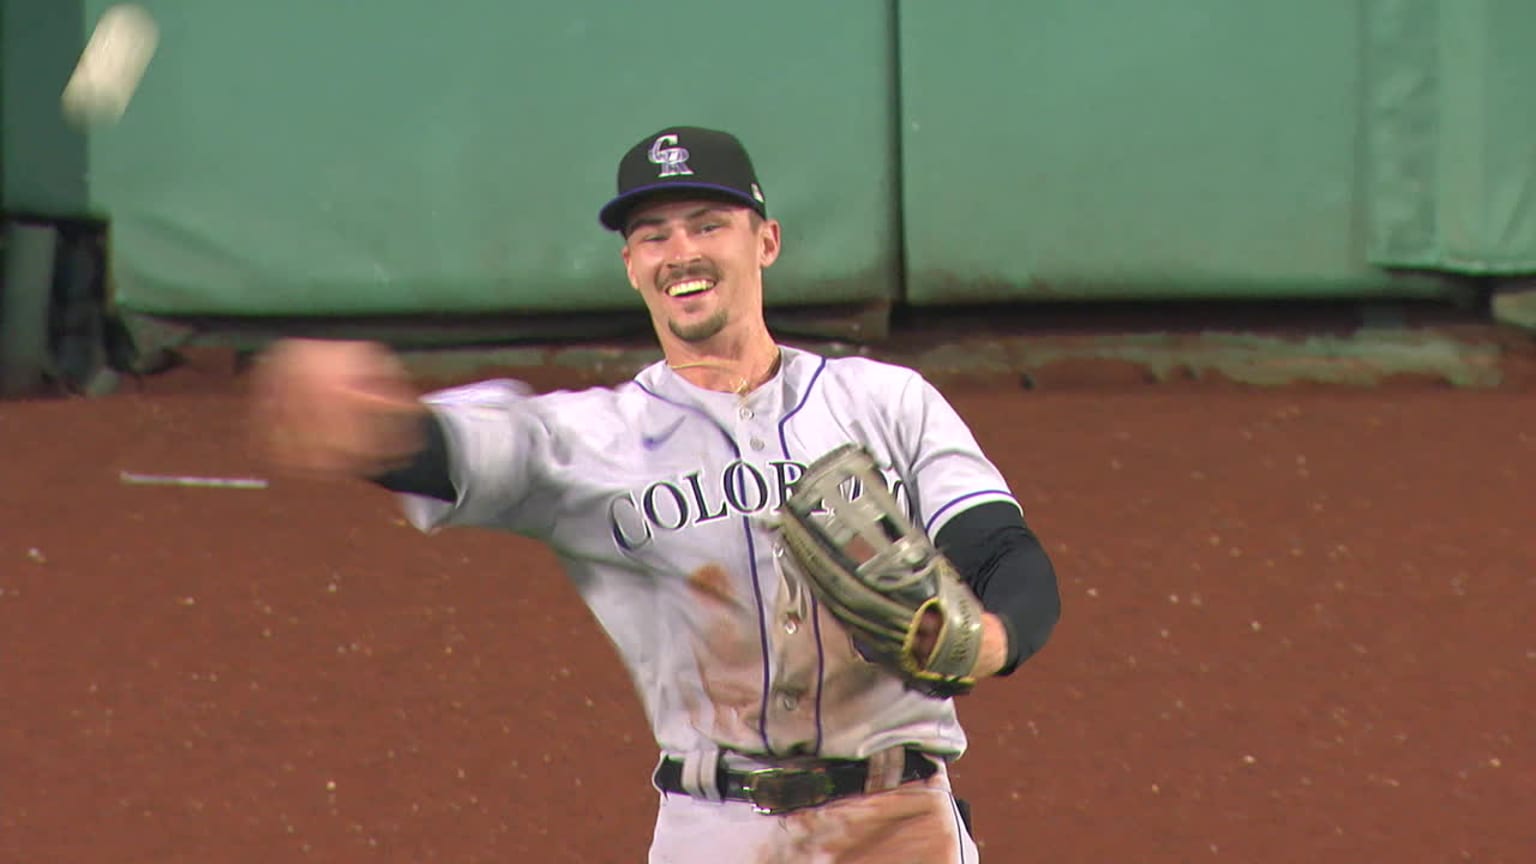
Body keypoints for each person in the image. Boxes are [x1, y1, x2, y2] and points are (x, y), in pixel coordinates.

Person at [252, 126, 1061, 863]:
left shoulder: (885, 402)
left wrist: (992, 639)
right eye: (654, 235)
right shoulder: (596, 441)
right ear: (631, 265)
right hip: (714, 832)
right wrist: (375, 428)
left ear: (766, 241)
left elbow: (999, 550)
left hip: (899, 821)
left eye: (708, 225)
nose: (682, 252)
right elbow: (463, 450)